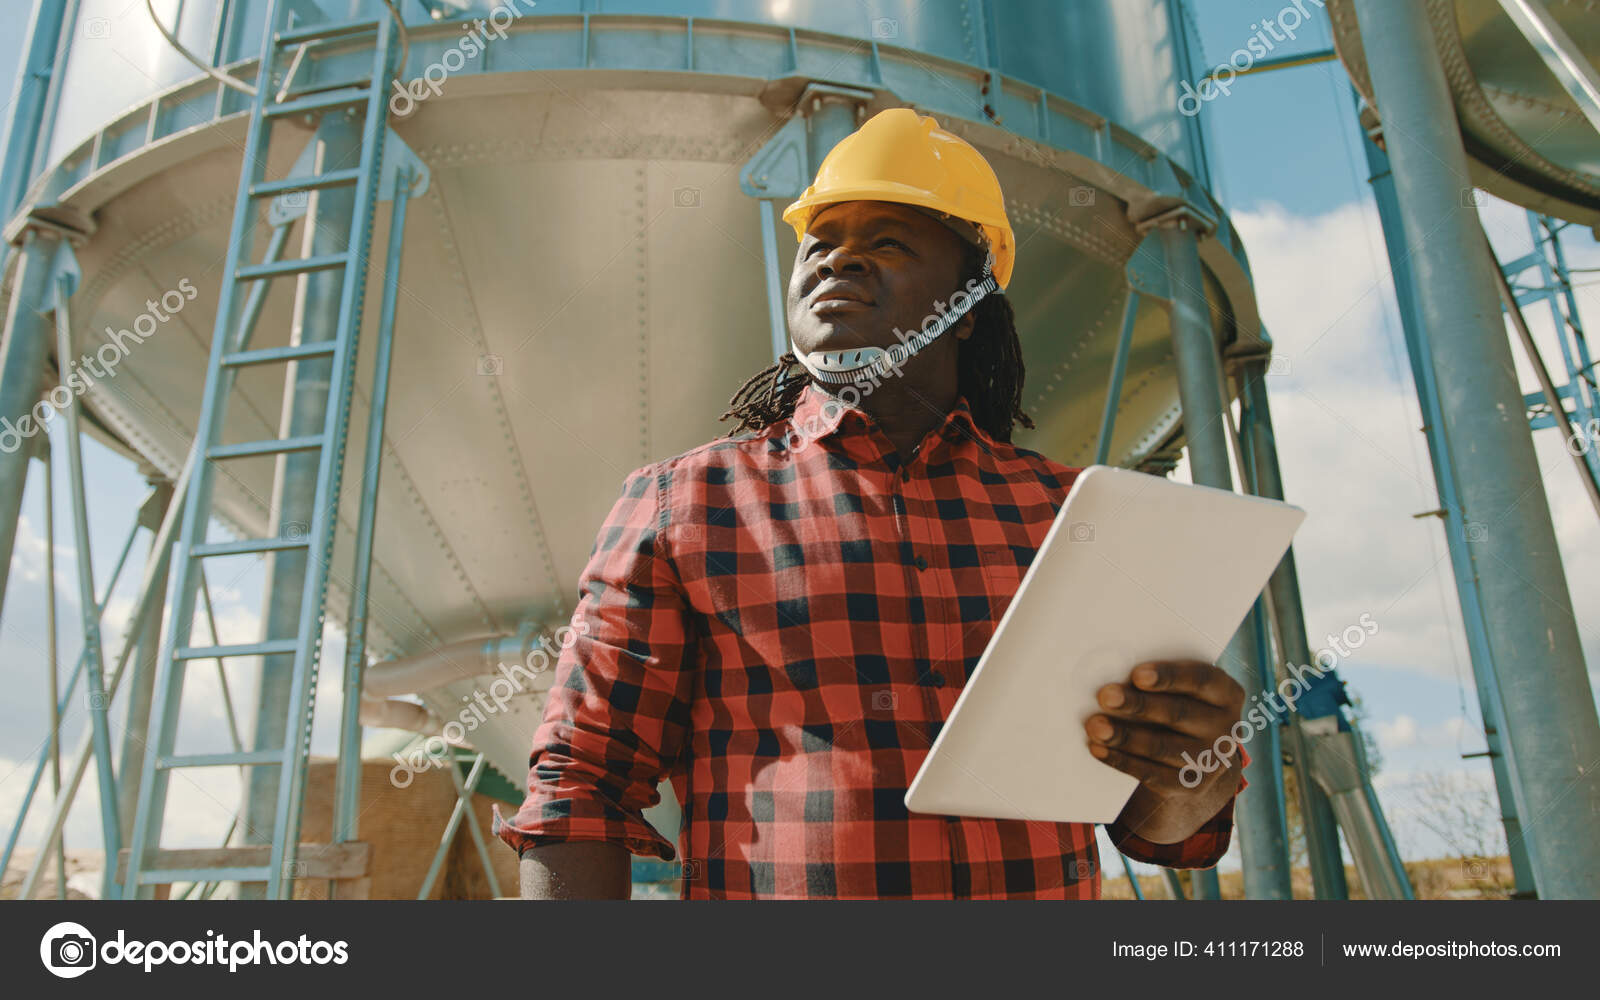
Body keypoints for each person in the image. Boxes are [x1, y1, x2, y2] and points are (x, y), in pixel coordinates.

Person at [494, 108, 1248, 899]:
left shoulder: (1073, 515)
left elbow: (1159, 826)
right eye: (820, 243)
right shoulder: (684, 505)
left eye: (888, 242)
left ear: (970, 303)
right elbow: (581, 786)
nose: (838, 260)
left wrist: (1191, 768)